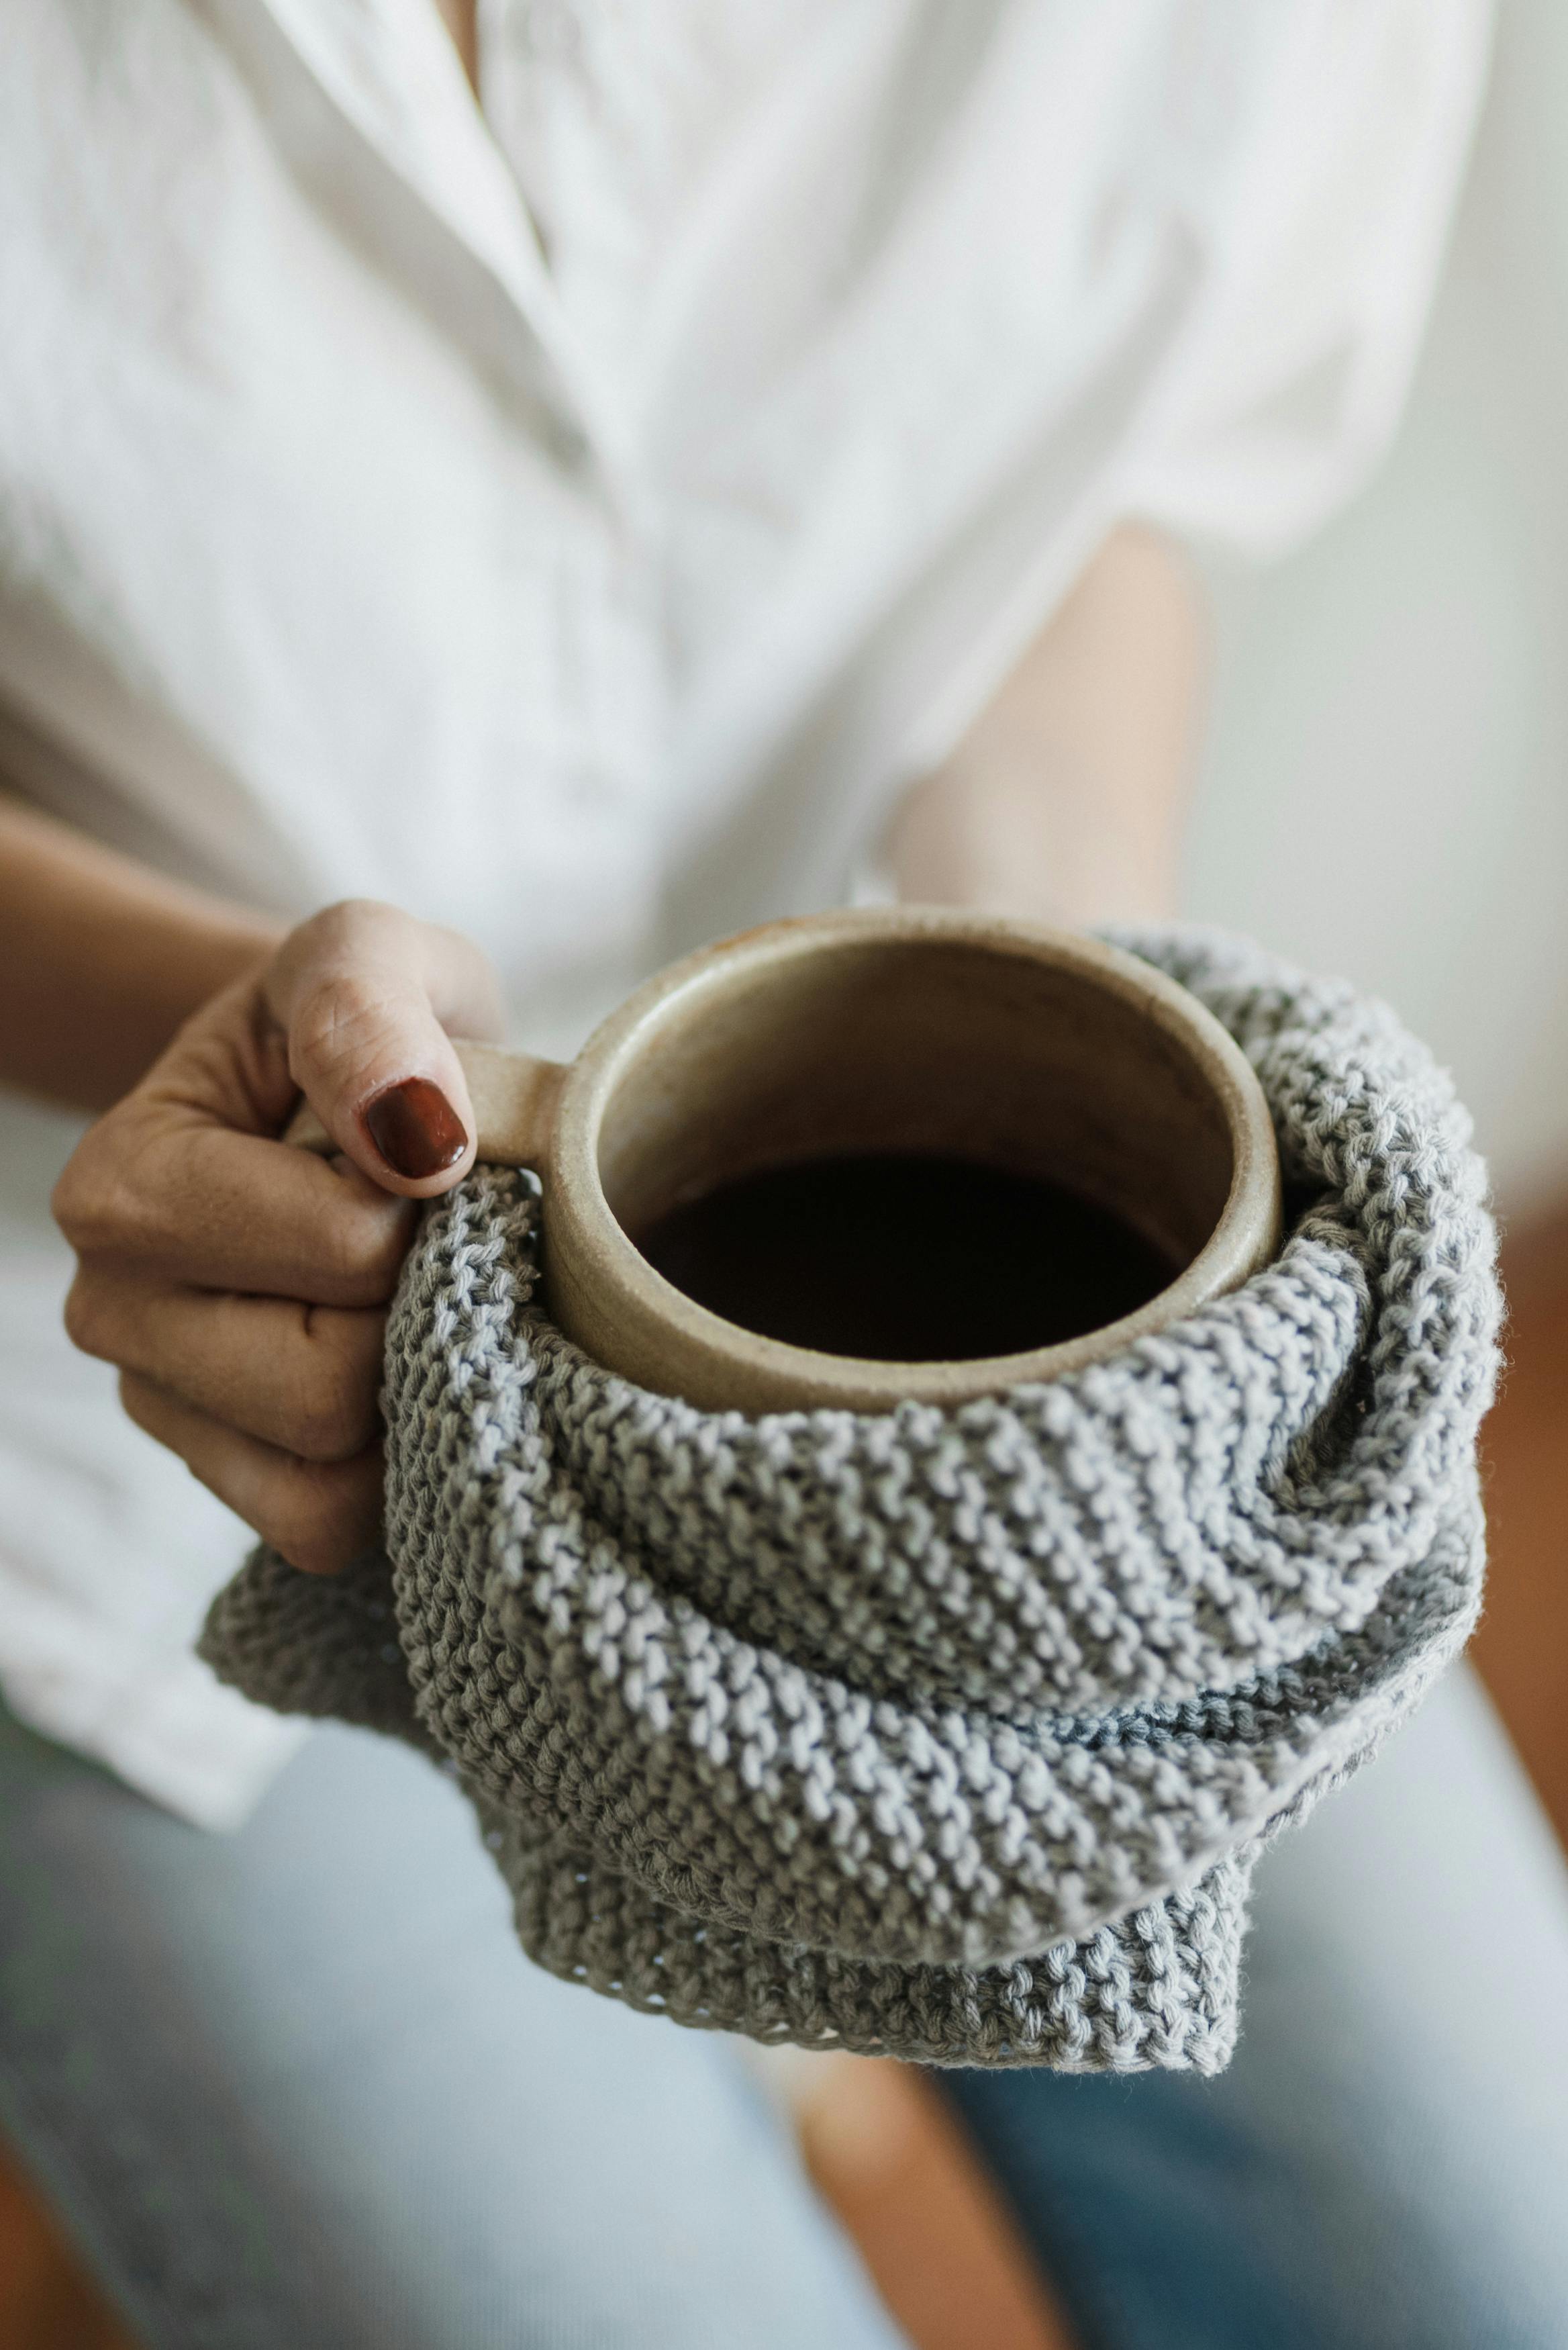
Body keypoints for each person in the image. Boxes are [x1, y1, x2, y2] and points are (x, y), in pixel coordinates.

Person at [2, 2, 1566, 2344]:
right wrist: (227, 1031)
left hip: (1092, 1429)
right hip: (142, 1442)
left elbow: (1127, 420)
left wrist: (1040, 968)